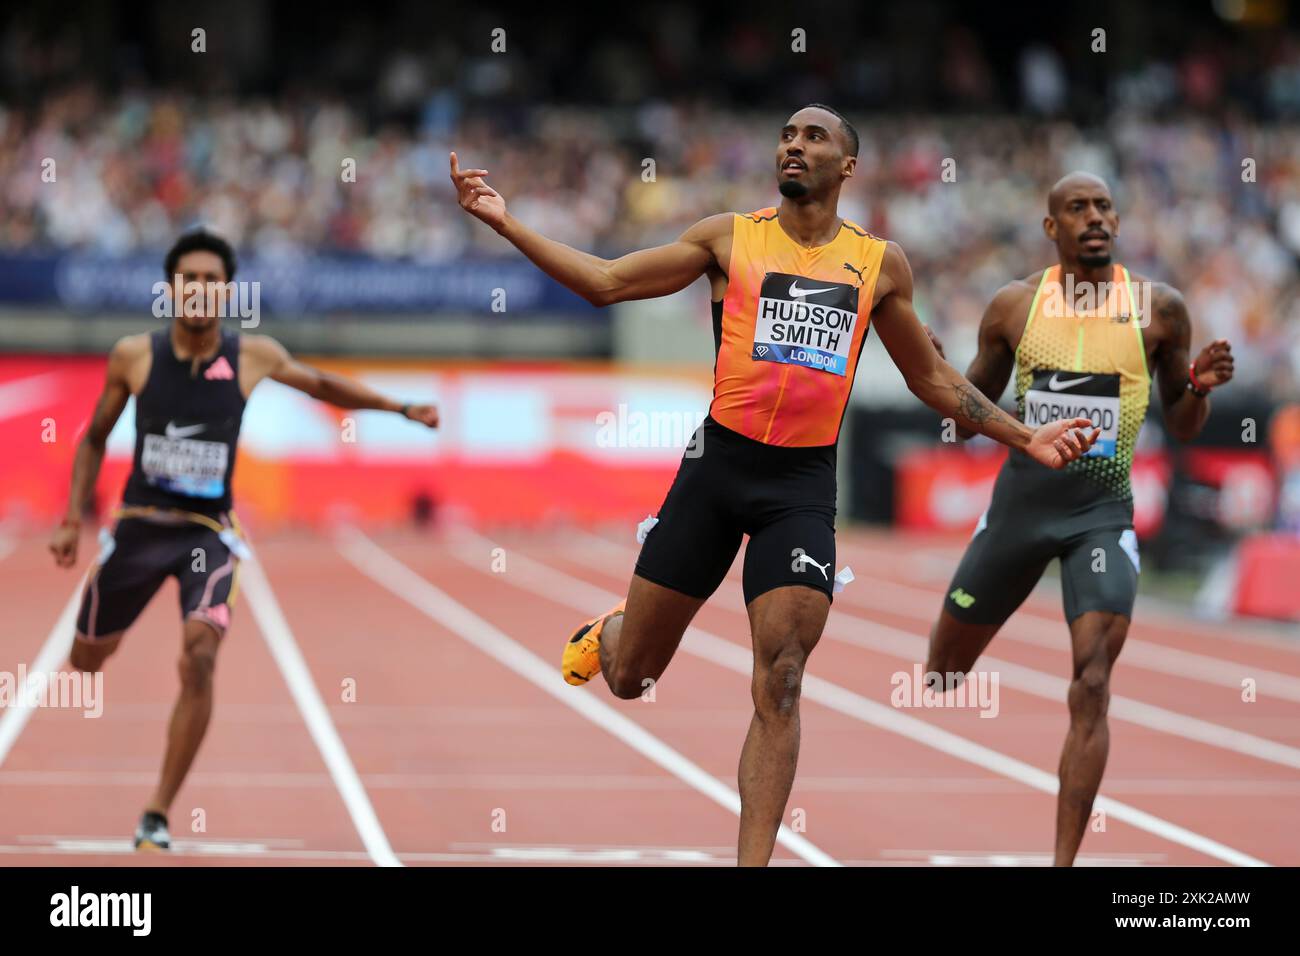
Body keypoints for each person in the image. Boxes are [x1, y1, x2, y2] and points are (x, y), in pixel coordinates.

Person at [450, 106, 1096, 866]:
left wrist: (1025, 435)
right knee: (631, 678)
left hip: (800, 483)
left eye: (814, 137)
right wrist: (506, 223)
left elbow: (929, 375)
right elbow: (606, 282)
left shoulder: (879, 265)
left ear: (847, 166)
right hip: (717, 468)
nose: (794, 145)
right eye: (787, 135)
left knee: (782, 675)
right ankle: (616, 632)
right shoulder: (730, 237)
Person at [48, 228, 439, 851]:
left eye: (211, 280)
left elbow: (321, 385)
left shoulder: (253, 356)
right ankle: (100, 643)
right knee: (86, 659)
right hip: (140, 526)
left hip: (209, 534)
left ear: (227, 292)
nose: (200, 289)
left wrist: (399, 407)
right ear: (171, 289)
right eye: (188, 279)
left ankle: (156, 812)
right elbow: (94, 436)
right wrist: (72, 517)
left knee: (200, 655)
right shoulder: (134, 356)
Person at [923, 172, 1234, 865]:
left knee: (1092, 682)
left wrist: (1197, 390)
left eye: (1103, 207)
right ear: (1051, 228)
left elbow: (1183, 424)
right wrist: (943, 382)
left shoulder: (1160, 311)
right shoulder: (1013, 307)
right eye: (1077, 209)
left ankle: (1063, 861)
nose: (1094, 218)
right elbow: (973, 416)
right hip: (1019, 512)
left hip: (1100, 515)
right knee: (941, 673)